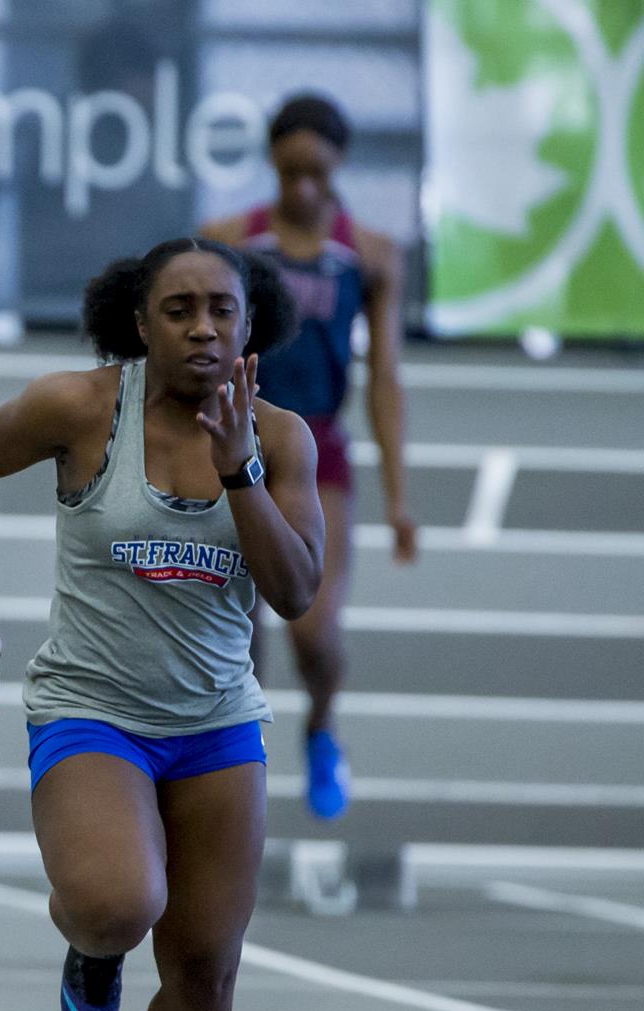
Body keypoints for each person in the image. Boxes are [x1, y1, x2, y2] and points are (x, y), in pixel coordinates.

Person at [0, 238, 322, 1011]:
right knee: (117, 901)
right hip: (90, 708)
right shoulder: (78, 408)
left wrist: (238, 473)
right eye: (180, 309)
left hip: (213, 725)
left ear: (251, 324)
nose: (202, 329)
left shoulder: (277, 438)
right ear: (139, 324)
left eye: (222, 311)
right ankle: (93, 945)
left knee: (203, 962)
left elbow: (291, 591)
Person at [201, 93, 417, 820]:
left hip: (318, 448)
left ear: (338, 166)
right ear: (271, 162)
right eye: (289, 172)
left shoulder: (372, 256)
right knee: (242, 631)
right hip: (236, 437)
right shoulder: (229, 240)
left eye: (316, 173)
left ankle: (322, 728)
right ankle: (240, 763)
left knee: (316, 631)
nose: (302, 189)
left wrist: (397, 497)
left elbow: (384, 377)